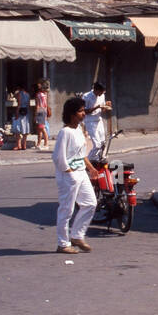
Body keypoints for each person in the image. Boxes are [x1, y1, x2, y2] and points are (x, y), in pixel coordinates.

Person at [53, 96, 96, 254]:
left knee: (90, 203)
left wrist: (91, 168)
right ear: (72, 114)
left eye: (84, 110)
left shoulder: (79, 130)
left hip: (81, 172)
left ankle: (77, 235)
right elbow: (58, 157)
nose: (84, 113)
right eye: (80, 111)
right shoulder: (65, 132)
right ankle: (63, 243)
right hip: (68, 175)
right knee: (66, 210)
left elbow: (81, 154)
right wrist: (69, 172)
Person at [83, 81, 112, 164]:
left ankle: (99, 159)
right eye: (101, 91)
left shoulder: (102, 95)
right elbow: (85, 111)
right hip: (90, 121)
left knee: (103, 143)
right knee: (97, 145)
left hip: (99, 120)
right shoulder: (86, 96)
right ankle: (87, 162)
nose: (103, 93)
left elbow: (102, 109)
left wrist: (107, 106)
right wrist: (96, 107)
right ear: (96, 90)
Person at [35, 82, 50, 150]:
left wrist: (36, 114)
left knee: (41, 129)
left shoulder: (38, 95)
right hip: (44, 111)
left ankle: (45, 144)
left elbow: (38, 105)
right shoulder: (45, 95)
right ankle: (40, 143)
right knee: (41, 128)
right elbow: (46, 105)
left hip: (40, 111)